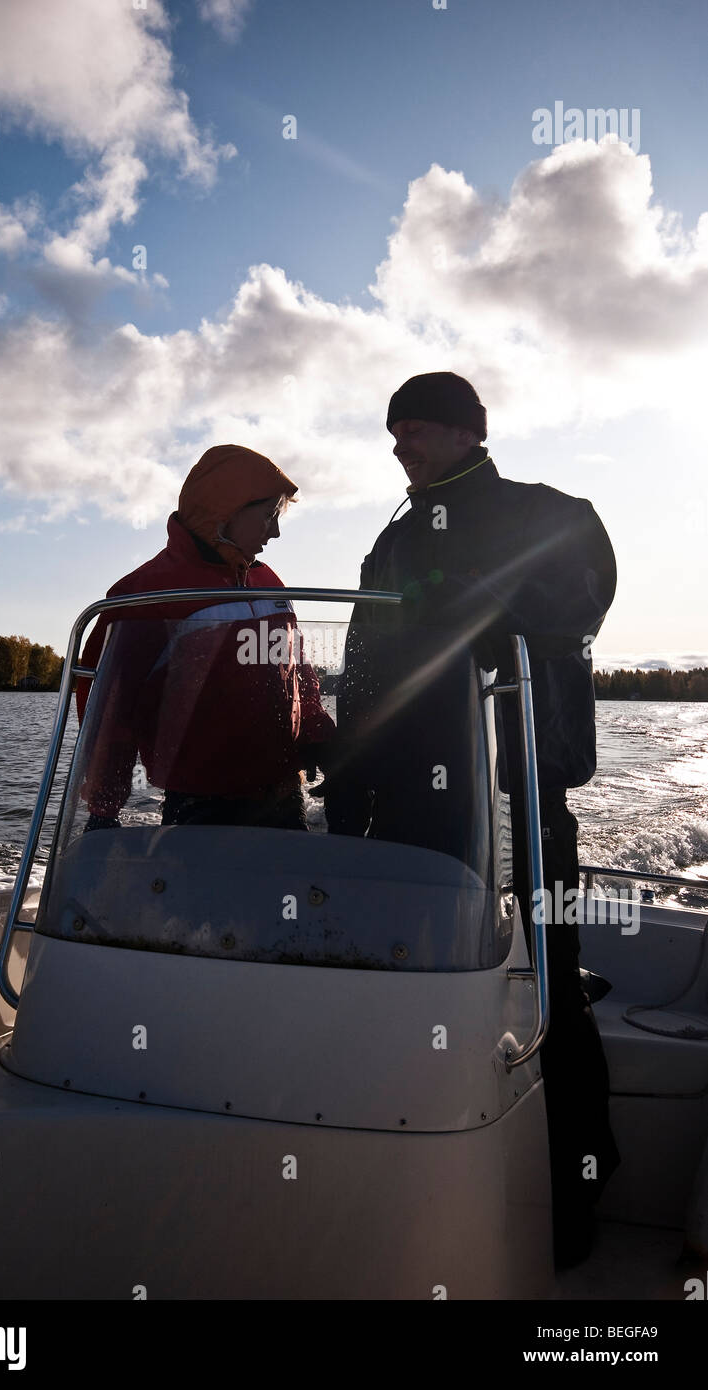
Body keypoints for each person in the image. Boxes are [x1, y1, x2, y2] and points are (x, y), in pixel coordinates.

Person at [323, 371, 620, 1267]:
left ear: (465, 432)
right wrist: (347, 773)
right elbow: (366, 669)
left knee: (549, 982)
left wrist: (472, 600)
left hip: (528, 797)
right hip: (413, 808)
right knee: (414, 988)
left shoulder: (552, 512)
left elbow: (579, 599)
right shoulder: (390, 543)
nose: (398, 442)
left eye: (414, 426)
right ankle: (416, 1189)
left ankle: (574, 1202)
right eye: (393, 428)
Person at [75, 444, 334, 830]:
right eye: (268, 516)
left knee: (283, 888)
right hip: (200, 802)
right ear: (225, 512)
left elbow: (298, 669)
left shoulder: (267, 582)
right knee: (204, 892)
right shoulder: (148, 593)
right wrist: (103, 807)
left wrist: (315, 731)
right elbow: (110, 709)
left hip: (282, 790)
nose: (276, 531)